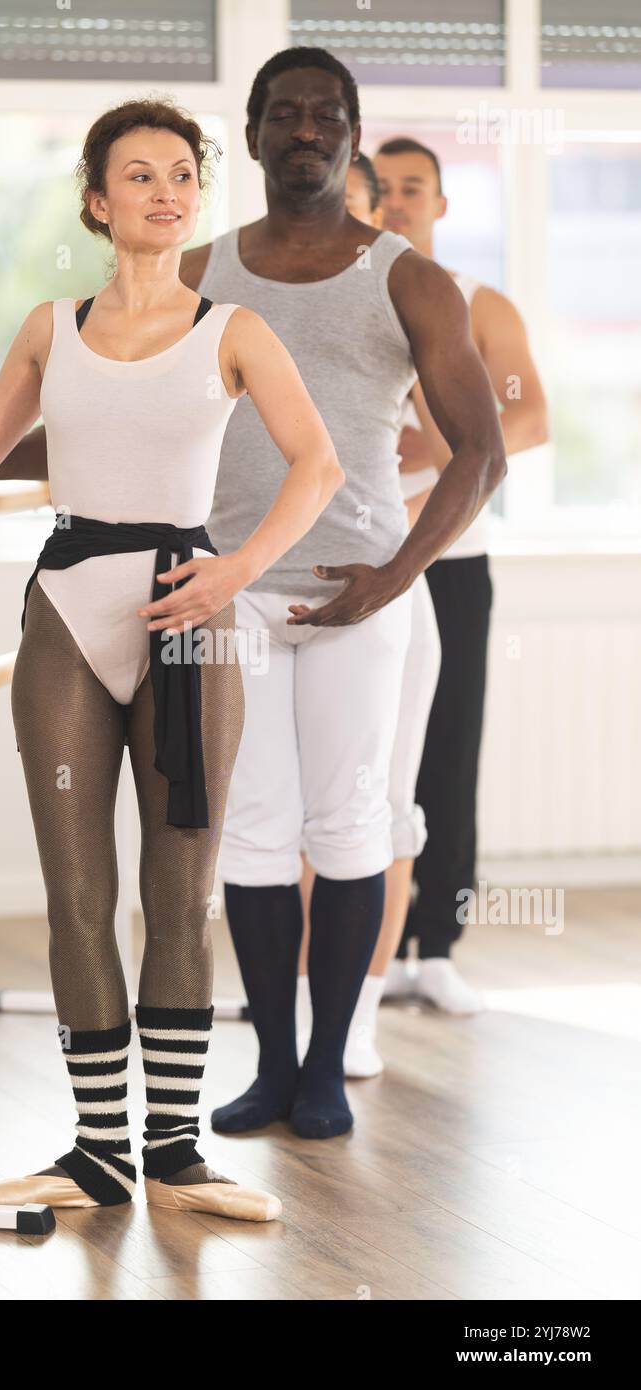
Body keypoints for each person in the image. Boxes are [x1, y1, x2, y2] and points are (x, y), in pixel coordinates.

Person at [0, 98, 346, 1220]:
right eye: (139, 176)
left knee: (180, 892)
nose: (165, 192)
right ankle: (97, 1152)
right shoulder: (49, 327)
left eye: (180, 175)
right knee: (74, 893)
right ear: (98, 204)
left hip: (187, 611)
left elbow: (317, 469)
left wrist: (236, 569)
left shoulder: (233, 330)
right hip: (66, 608)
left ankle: (177, 1154)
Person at [0, 49, 506, 1145]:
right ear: (253, 136)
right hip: (219, 589)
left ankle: (325, 1067)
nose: (306, 128)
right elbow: (98, 415)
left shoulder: (407, 277)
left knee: (349, 824)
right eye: (284, 113)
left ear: (352, 139)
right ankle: (268, 1066)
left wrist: (394, 577)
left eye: (328, 114)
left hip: (359, 587)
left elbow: (480, 451)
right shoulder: (198, 266)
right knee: (250, 836)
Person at [373, 136, 549, 1013]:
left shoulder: (480, 304)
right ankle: (350, 947)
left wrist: (450, 455)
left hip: (451, 557)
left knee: (447, 746)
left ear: (441, 205)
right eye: (385, 187)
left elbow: (530, 419)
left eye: (415, 188)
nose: (398, 201)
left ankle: (432, 945)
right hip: (357, 552)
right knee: (360, 754)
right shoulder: (349, 298)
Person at [294, 150, 442, 1076]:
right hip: (270, 582)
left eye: (361, 206)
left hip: (379, 582)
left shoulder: (401, 294)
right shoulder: (246, 294)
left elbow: (470, 438)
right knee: (288, 819)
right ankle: (309, 1010)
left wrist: (393, 536)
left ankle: (357, 1015)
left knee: (378, 808)